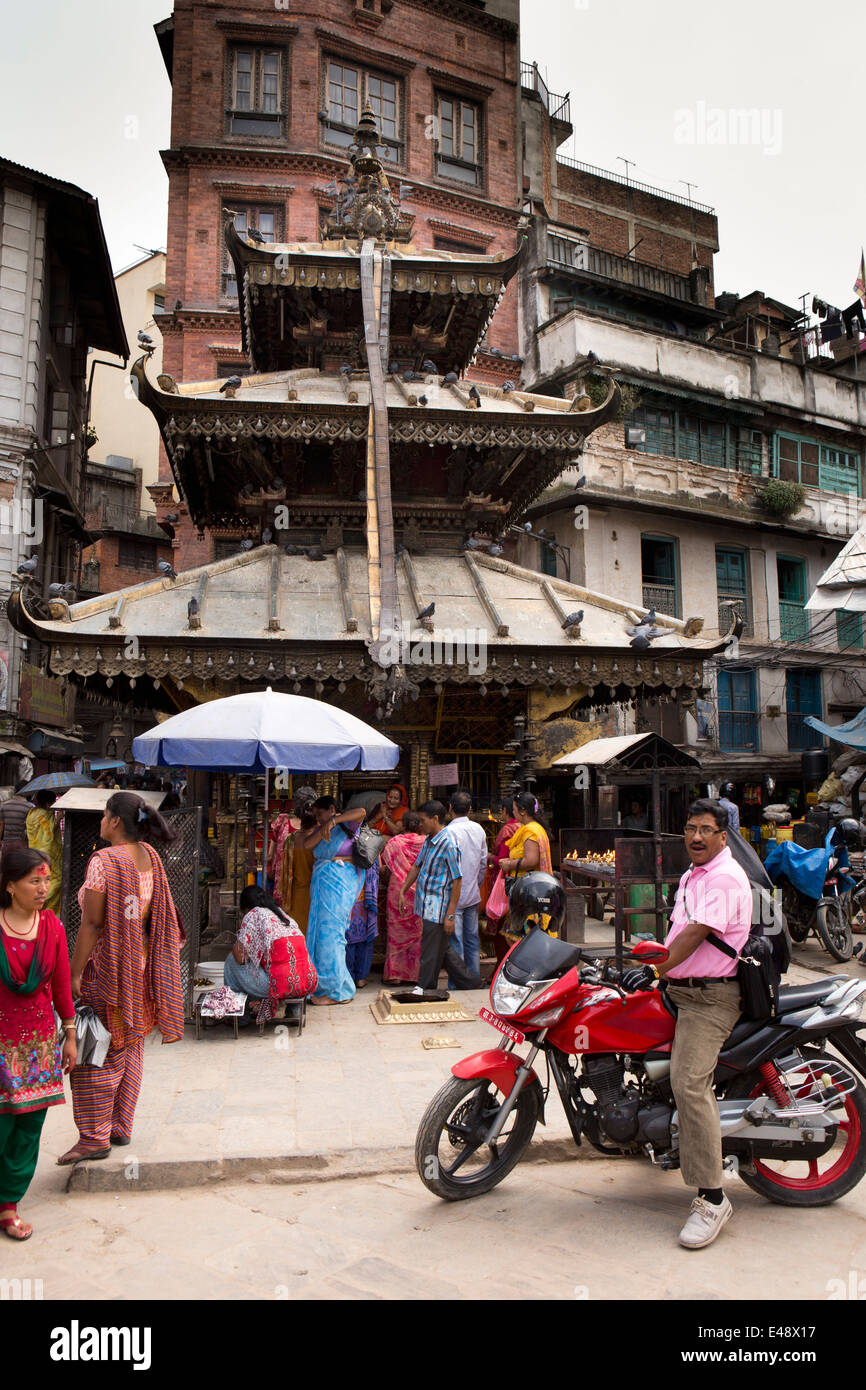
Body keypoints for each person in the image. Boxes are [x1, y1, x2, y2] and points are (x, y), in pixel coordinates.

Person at [622, 798, 751, 1250]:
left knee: (688, 1080)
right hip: (680, 989)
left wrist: (657, 970)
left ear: (723, 835)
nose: (696, 837)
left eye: (706, 830)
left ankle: (712, 1197)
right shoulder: (692, 875)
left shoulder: (724, 877)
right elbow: (679, 936)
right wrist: (649, 960)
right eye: (690, 828)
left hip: (710, 998)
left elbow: (697, 933)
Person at [60, 792, 184, 1165]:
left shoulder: (104, 861)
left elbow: (93, 924)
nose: (100, 822)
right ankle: (120, 1126)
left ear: (115, 821)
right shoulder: (151, 856)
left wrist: (75, 972)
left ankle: (94, 1137)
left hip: (108, 969)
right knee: (130, 1044)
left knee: (95, 1050)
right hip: (141, 968)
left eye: (103, 815)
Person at [0, 847, 76, 1239]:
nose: (43, 887)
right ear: (10, 886)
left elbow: (62, 987)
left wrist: (71, 1035)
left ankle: (9, 1204)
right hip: (0, 1045)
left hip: (39, 1048)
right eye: (34, 880)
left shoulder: (53, 928)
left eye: (46, 880)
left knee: (28, 1129)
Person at [399, 801, 482, 994]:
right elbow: (417, 866)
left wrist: (450, 915)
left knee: (430, 950)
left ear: (435, 819)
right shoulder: (430, 839)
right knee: (442, 949)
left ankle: (425, 988)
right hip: (427, 904)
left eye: (423, 820)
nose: (420, 824)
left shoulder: (449, 843)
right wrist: (403, 889)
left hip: (438, 908)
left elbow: (457, 880)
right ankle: (471, 983)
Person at [299, 796, 366, 1005]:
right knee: (321, 935)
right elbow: (307, 844)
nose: (318, 819)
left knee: (332, 935)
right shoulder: (321, 829)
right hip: (323, 885)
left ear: (331, 809)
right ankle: (326, 985)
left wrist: (333, 821)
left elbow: (362, 811)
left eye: (320, 814)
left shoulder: (347, 824)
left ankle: (339, 991)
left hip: (340, 881)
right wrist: (321, 827)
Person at [225, 884, 312, 1025]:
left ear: (245, 907)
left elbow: (240, 957)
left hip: (281, 984)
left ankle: (240, 1016)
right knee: (288, 964)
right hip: (306, 980)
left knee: (231, 960)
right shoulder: (281, 913)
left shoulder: (253, 914)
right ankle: (294, 1010)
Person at [445, 790, 488, 987]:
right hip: (472, 894)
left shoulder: (448, 832)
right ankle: (473, 980)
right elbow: (483, 863)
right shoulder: (479, 829)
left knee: (456, 943)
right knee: (472, 941)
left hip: (453, 897)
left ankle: (458, 984)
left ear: (450, 808)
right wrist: (476, 885)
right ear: (470, 809)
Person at [380, 811, 426, 984]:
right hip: (418, 889)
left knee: (395, 932)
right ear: (419, 825)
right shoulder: (425, 842)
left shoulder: (394, 842)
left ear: (403, 825)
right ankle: (414, 975)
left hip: (397, 887)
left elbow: (387, 869)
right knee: (416, 932)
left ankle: (395, 975)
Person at [25, 789, 62, 912]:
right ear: (48, 804)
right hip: (46, 856)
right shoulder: (44, 815)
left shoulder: (32, 813)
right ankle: (42, 909)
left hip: (33, 853)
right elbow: (48, 835)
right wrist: (59, 818)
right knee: (55, 882)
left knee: (37, 881)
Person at [346, 859, 379, 988]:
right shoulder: (370, 839)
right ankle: (360, 977)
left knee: (347, 935)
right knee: (364, 935)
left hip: (348, 893)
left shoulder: (344, 840)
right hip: (366, 893)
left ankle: (348, 976)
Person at [0, 781, 35, 854]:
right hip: (22, 844)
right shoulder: (30, 807)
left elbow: (1, 825)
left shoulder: (4, 805)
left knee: (6, 864)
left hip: (6, 843)